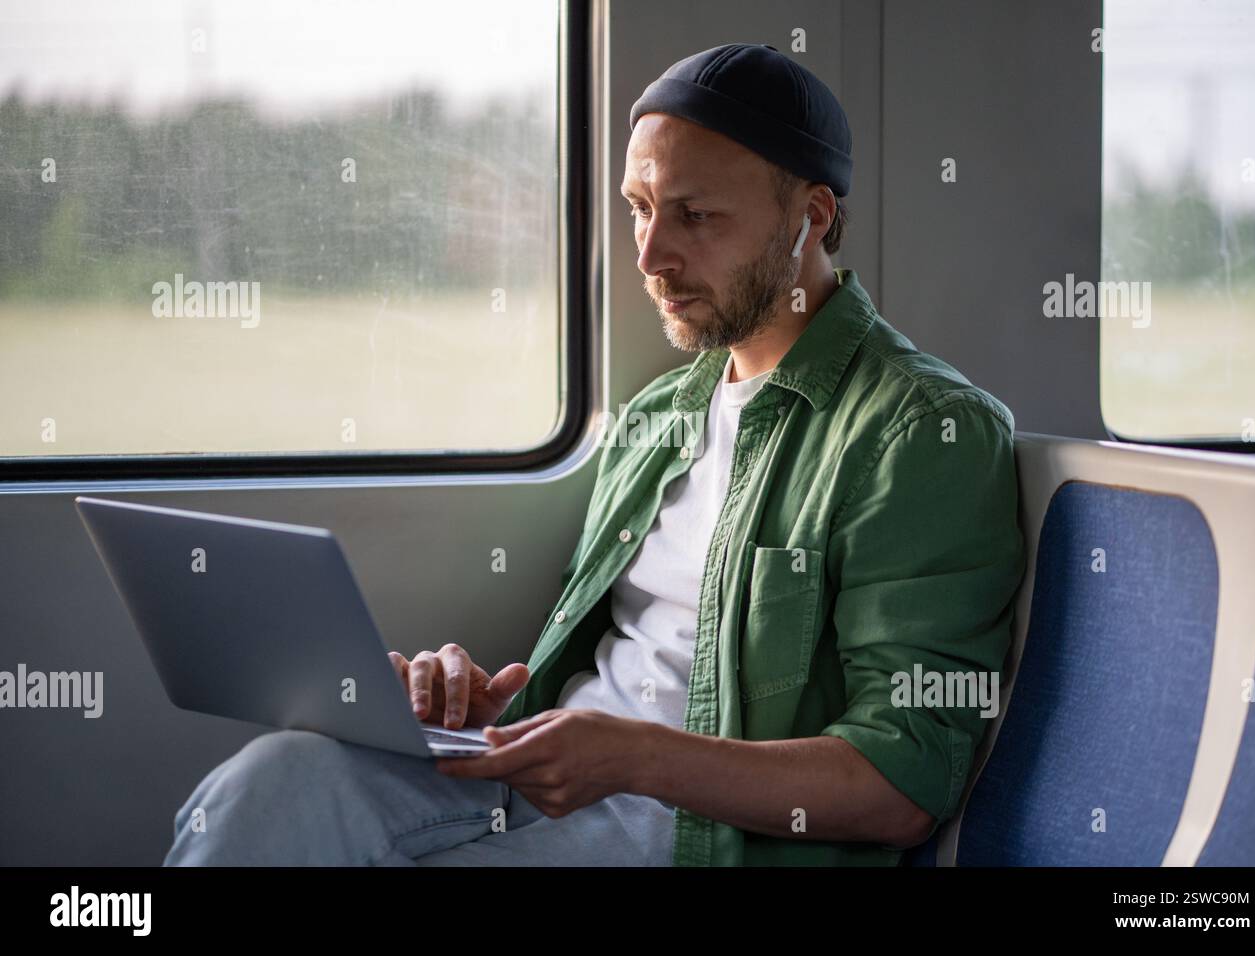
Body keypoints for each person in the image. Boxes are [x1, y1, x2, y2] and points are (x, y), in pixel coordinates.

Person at [164, 42, 1024, 867]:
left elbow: (904, 781)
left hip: (700, 832)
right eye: (642, 209)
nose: (651, 256)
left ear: (812, 217)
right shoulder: (660, 414)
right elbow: (618, 666)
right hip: (555, 776)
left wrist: (636, 759)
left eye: (696, 215)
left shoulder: (920, 431)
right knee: (271, 782)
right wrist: (482, 704)